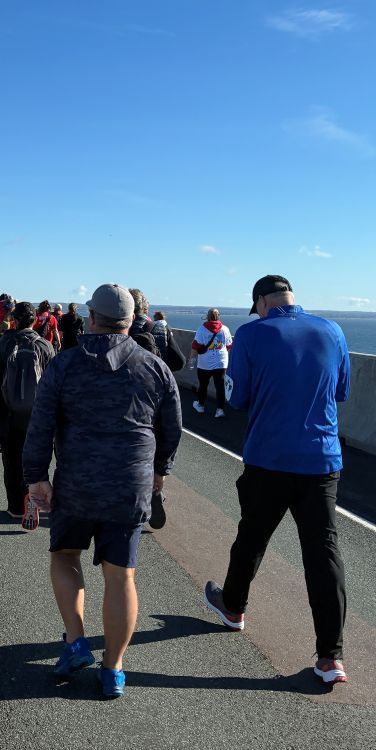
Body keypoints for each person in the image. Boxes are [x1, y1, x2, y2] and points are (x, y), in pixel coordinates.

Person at [23, 283, 182, 698]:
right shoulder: (154, 367)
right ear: (130, 322)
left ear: (91, 318)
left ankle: (76, 642)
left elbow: (41, 423)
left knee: (64, 556)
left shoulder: (65, 364)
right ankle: (113, 670)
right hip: (129, 488)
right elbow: (172, 428)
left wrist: (36, 476)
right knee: (121, 576)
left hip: (76, 484)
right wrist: (161, 469)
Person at [204, 275, 351, 685]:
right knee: (323, 554)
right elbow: (341, 391)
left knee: (251, 537)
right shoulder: (333, 330)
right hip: (321, 462)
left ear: (262, 302)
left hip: (268, 459)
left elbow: (237, 397)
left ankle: (233, 609)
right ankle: (330, 659)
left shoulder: (252, 335)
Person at [0, 301, 54, 519]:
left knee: (11, 460)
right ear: (34, 321)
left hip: (9, 411)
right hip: (37, 415)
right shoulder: (45, 346)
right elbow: (52, 384)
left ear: (14, 319)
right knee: (35, 460)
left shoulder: (6, 342)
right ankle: (31, 497)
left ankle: (15, 507)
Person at [191, 308, 233, 417]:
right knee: (220, 386)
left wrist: (191, 361)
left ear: (208, 316)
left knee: (203, 385)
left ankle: (200, 406)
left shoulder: (202, 329)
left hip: (205, 362)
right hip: (221, 362)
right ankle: (220, 410)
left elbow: (195, 346)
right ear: (218, 316)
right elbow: (229, 346)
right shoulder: (225, 329)